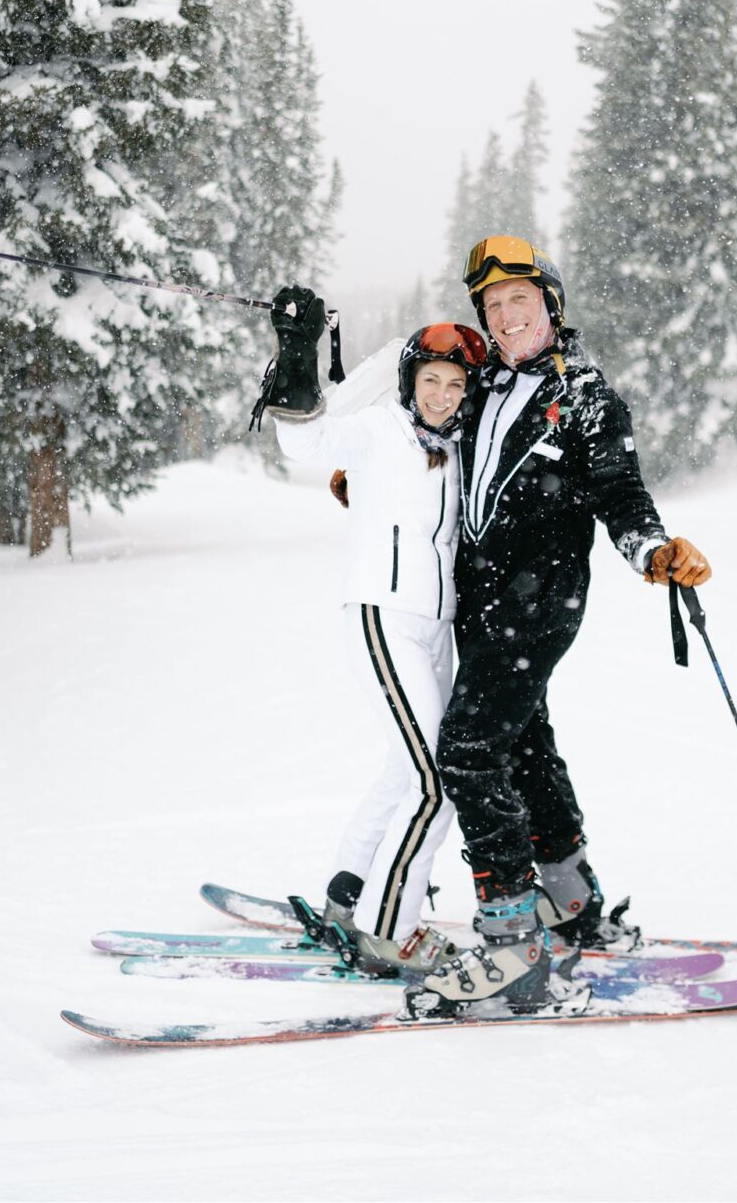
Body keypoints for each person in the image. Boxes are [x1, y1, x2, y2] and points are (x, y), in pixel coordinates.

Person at [417, 236, 712, 1011]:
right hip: (480, 603)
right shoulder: (482, 383)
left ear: (550, 305)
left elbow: (621, 494)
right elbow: (437, 446)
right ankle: (572, 902)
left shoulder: (585, 396)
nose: (506, 315)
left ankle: (513, 946)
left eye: (520, 299)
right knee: (523, 742)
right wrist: (373, 479)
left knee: (469, 751)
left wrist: (654, 551)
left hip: (539, 603)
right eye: (493, 304)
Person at [251, 285, 487, 975]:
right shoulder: (381, 429)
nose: (442, 395)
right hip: (383, 616)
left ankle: (348, 894)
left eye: (454, 385)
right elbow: (305, 439)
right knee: (437, 779)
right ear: (410, 380)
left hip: (435, 629)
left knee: (404, 770)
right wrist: (299, 351)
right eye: (431, 380)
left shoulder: (458, 448)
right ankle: (389, 930)